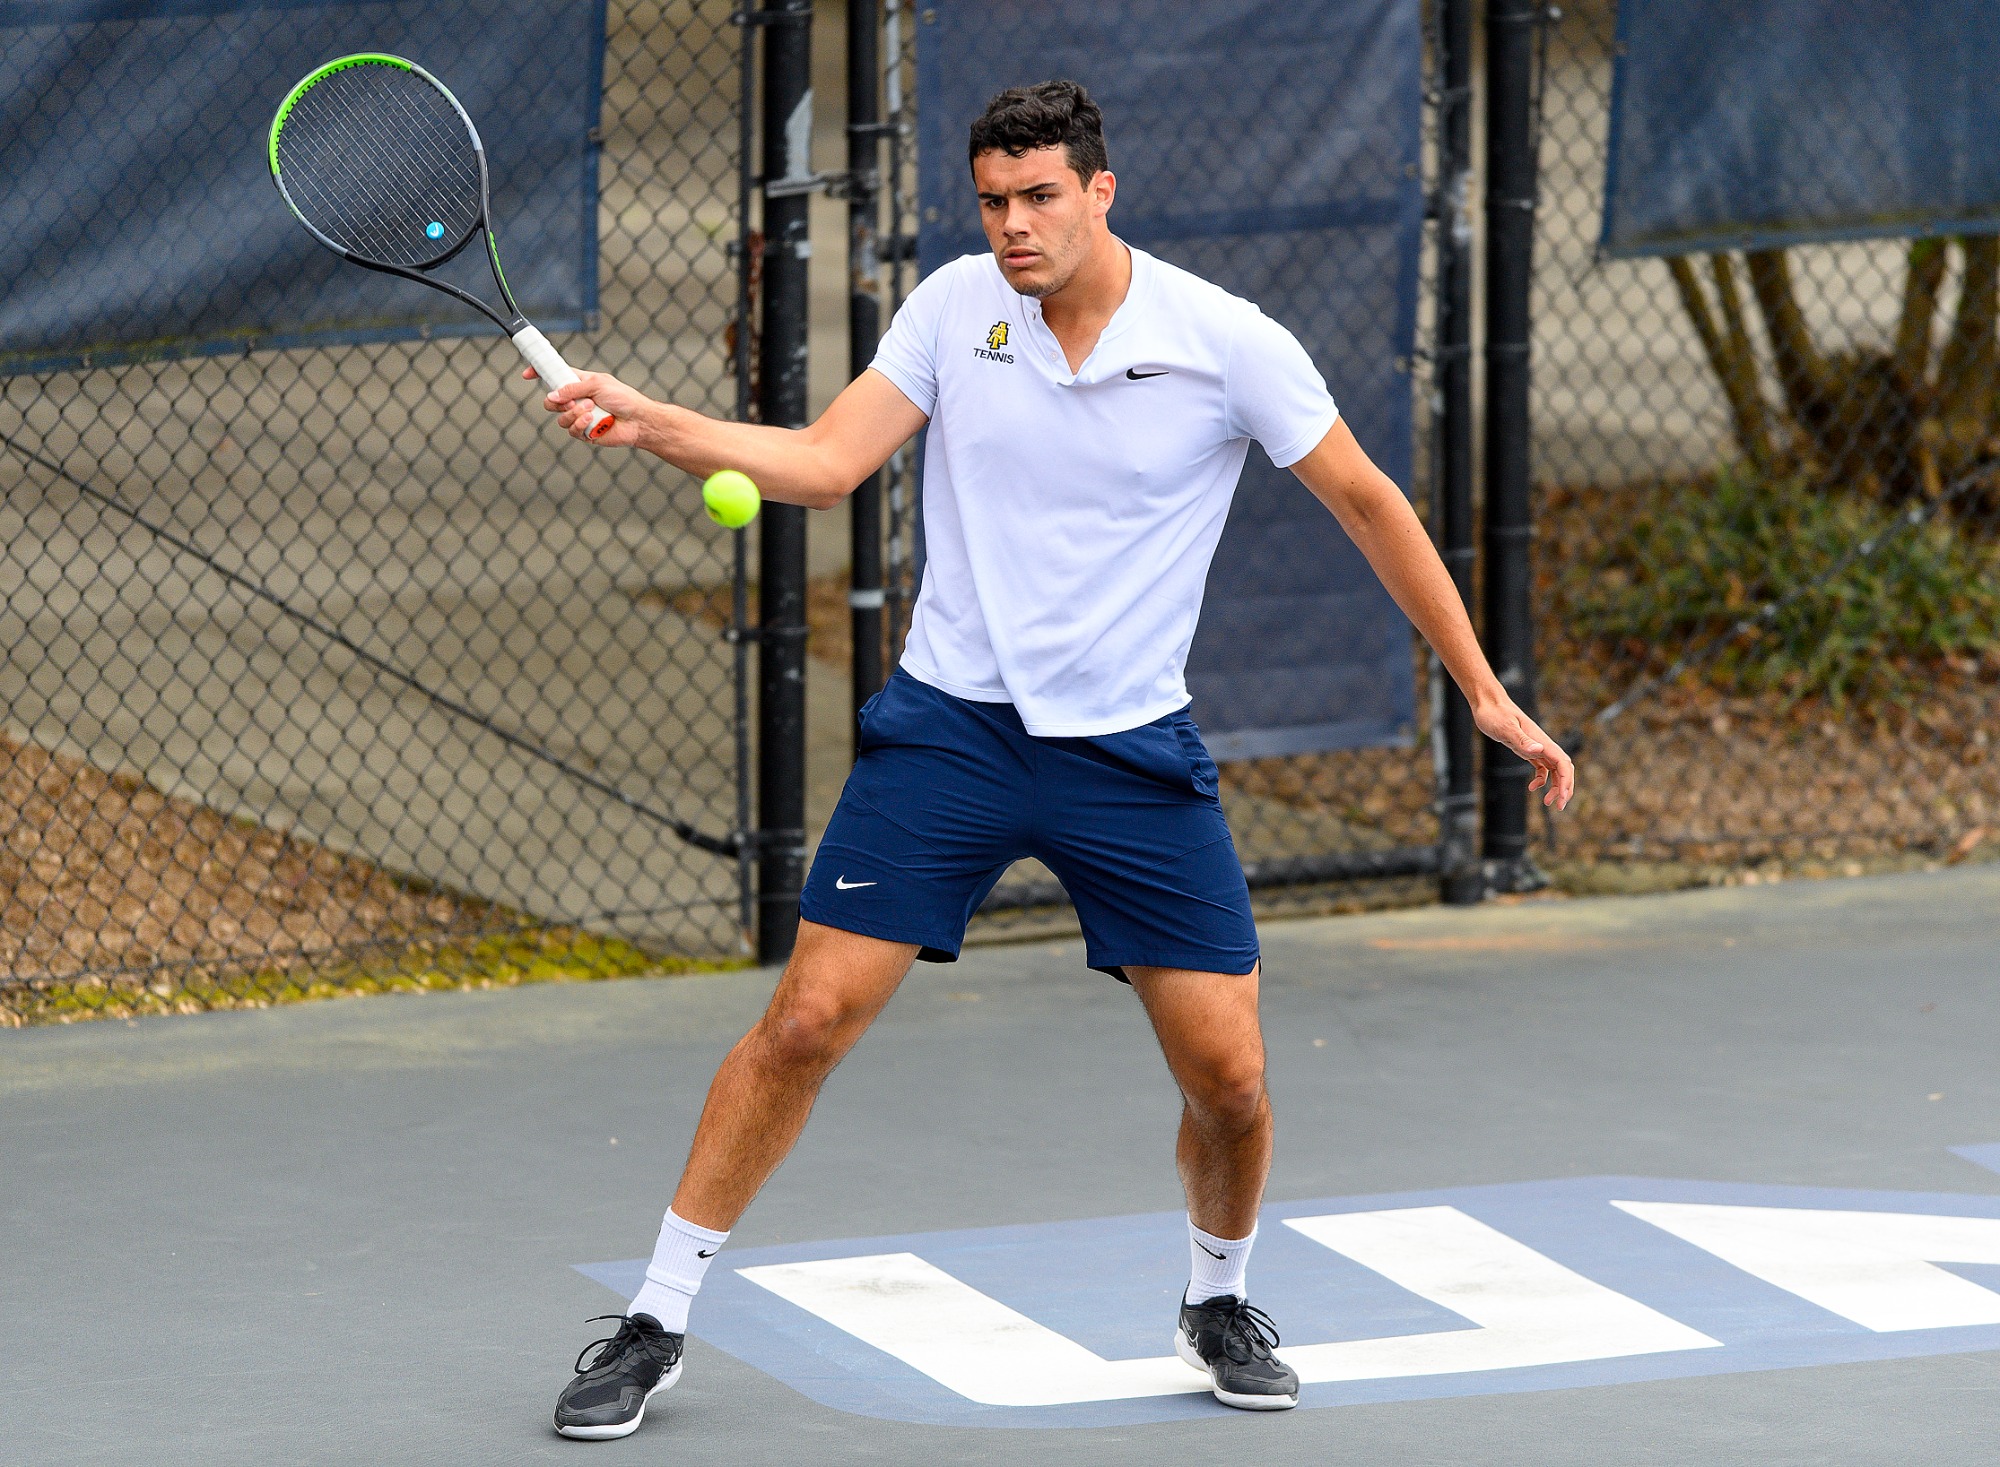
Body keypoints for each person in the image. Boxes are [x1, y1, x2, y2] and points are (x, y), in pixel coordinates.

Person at [538, 79, 1573, 1439]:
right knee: (802, 1024)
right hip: (950, 732)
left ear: (1100, 190)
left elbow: (1371, 503)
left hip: (1129, 753)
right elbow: (823, 462)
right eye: (993, 201)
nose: (1013, 225)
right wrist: (653, 422)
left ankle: (1219, 1298)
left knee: (1231, 1079)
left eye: (1039, 197)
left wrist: (1484, 691)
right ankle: (658, 1320)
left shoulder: (1224, 342)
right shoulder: (952, 311)